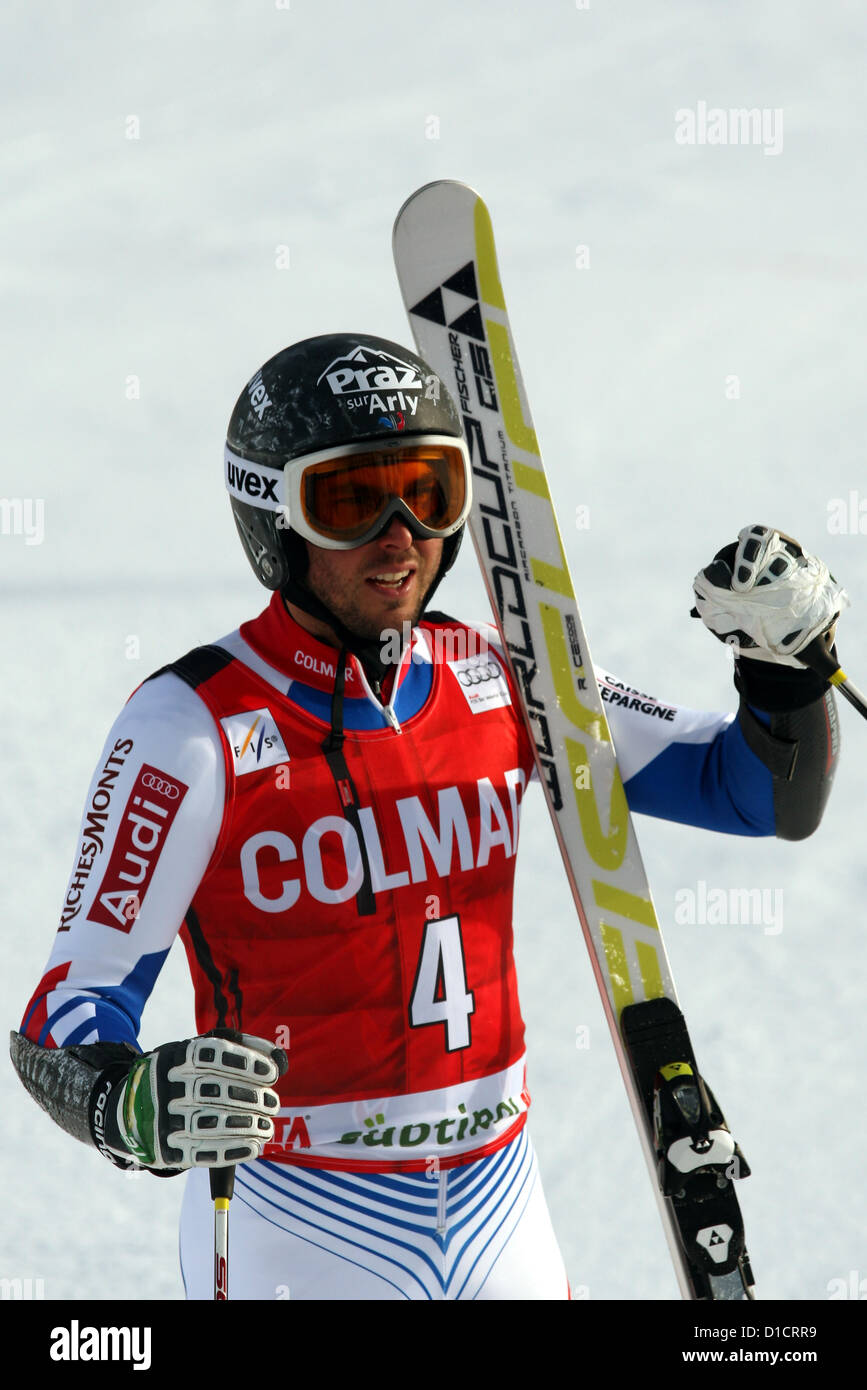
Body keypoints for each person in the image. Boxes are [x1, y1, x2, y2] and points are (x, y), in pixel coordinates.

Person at [11, 332, 845, 1301]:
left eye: (430, 492)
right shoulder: (188, 725)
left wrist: (784, 671)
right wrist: (126, 1102)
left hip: (500, 1209)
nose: (402, 535)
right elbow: (66, 1010)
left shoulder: (503, 675)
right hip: (305, 1219)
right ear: (271, 514)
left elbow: (752, 795)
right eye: (353, 502)